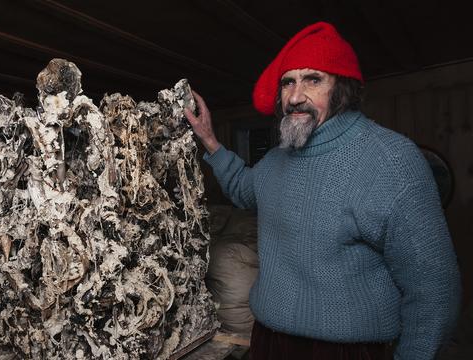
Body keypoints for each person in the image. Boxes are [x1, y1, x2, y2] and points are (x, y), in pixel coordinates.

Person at [184, 22, 461, 360]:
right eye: (288, 82)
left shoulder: (391, 160)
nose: (296, 96)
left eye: (313, 79)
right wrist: (210, 140)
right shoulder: (276, 161)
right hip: (269, 341)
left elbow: (434, 290)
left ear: (341, 89)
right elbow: (246, 190)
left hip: (344, 351)